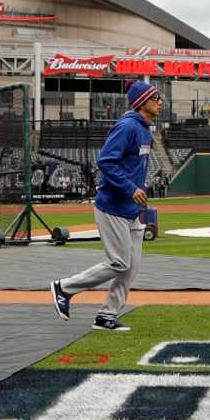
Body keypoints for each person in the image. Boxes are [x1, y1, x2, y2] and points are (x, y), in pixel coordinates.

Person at [50, 81, 163, 331]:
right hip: (112, 205)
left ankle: (106, 316)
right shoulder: (128, 126)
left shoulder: (144, 128)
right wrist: (130, 188)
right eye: (155, 97)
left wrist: (137, 189)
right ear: (142, 101)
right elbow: (106, 161)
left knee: (131, 267)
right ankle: (64, 288)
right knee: (119, 262)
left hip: (130, 209)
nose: (160, 101)